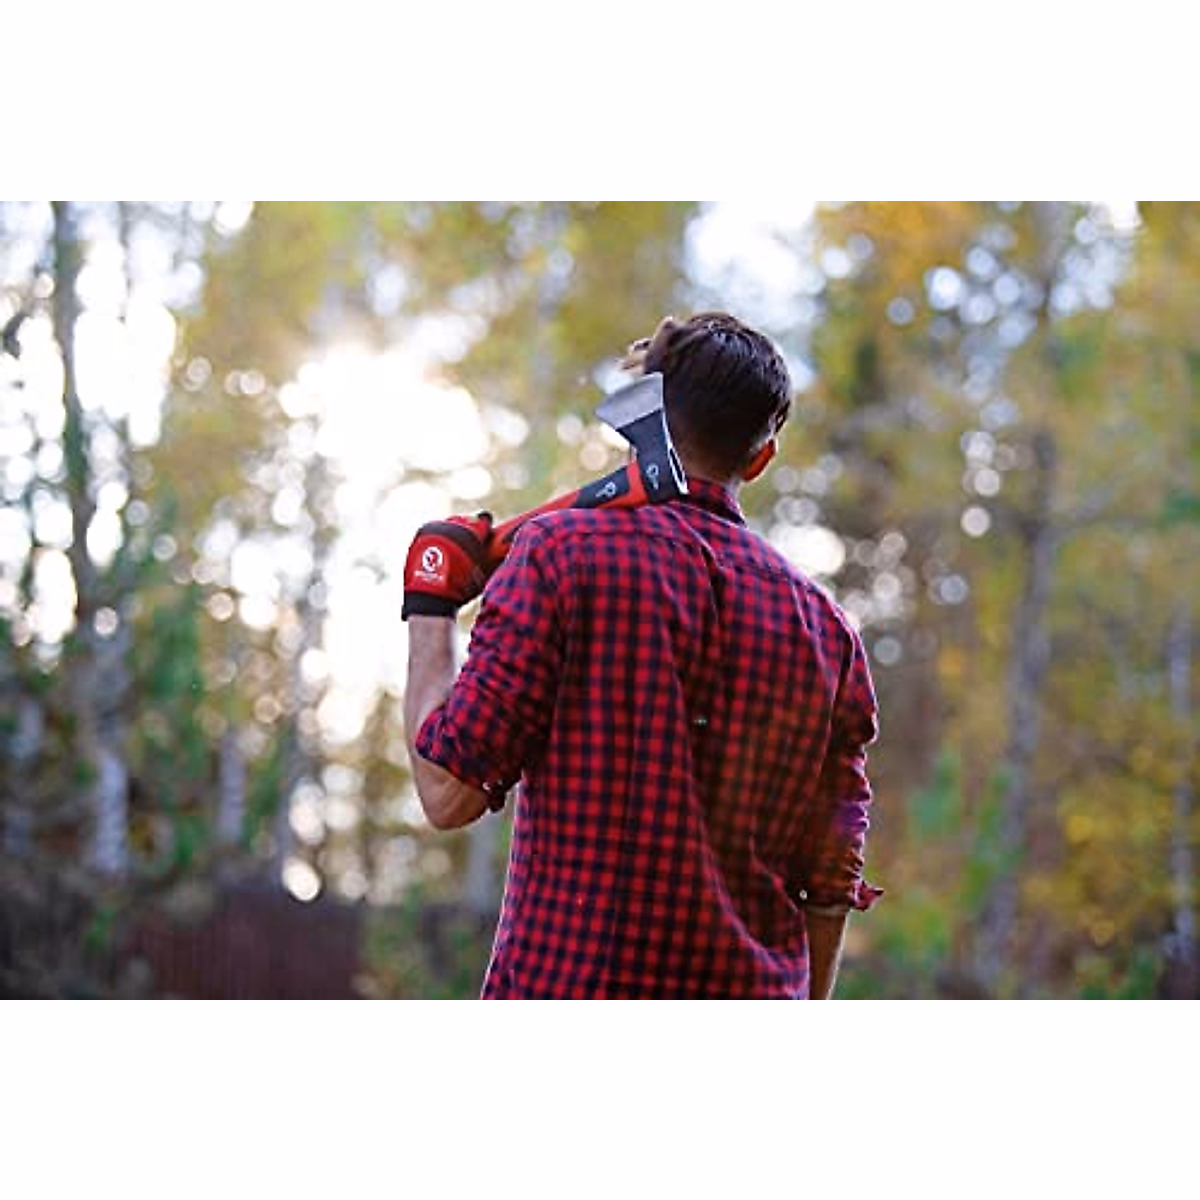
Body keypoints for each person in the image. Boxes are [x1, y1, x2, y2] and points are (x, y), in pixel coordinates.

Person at [402, 312, 881, 999]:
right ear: (760, 458)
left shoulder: (558, 558)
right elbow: (829, 883)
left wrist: (429, 603)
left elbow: (446, 793)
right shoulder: (828, 635)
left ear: (640, 421)